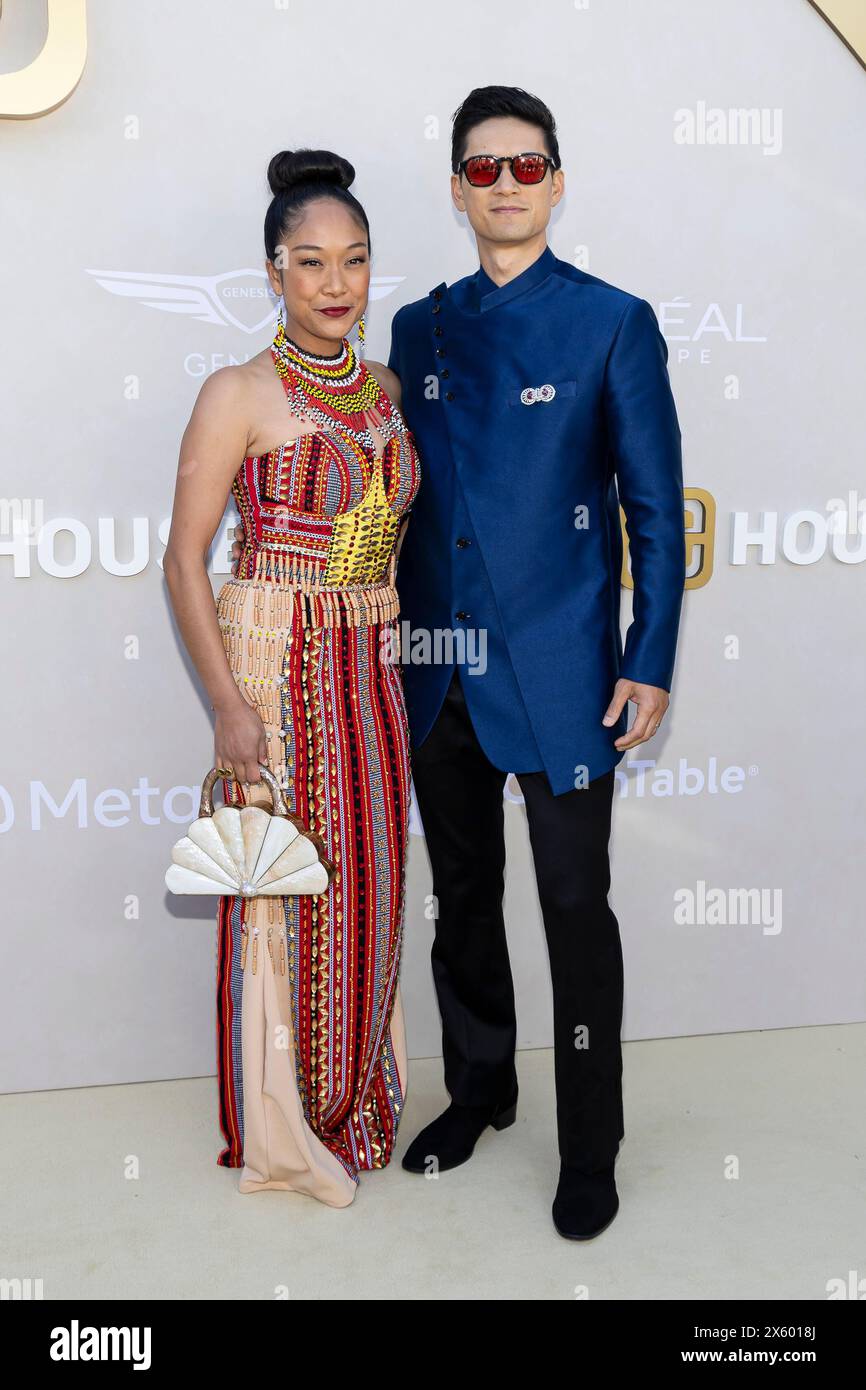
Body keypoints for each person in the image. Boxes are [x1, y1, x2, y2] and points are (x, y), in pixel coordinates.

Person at [233, 87, 686, 1240]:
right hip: (429, 672)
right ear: (453, 189)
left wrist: (649, 660)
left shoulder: (613, 322)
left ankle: (591, 1144)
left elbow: (650, 511)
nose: (502, 185)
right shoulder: (415, 330)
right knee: (461, 903)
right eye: (480, 169)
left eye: (522, 166)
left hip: (565, 678)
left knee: (576, 911)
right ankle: (480, 1088)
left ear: (554, 179)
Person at [164, 148, 420, 1208]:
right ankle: (288, 1120)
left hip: (371, 662)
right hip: (277, 660)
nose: (334, 283)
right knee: (288, 886)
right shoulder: (239, 392)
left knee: (370, 882)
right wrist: (228, 704)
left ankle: (354, 1093)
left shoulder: (387, 389)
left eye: (353, 261)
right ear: (273, 271)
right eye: (309, 261)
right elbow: (183, 560)